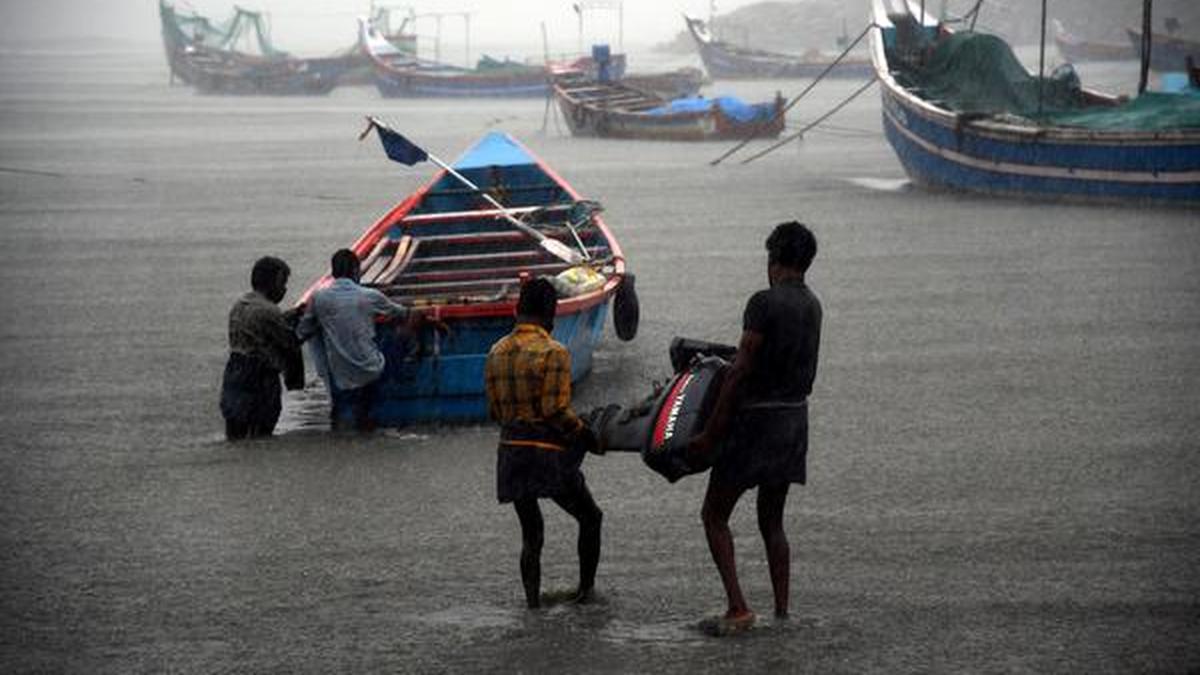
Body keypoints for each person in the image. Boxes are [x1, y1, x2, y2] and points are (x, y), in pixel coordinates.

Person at [688, 221, 822, 635]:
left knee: (714, 513)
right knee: (773, 522)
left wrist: (711, 432)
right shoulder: (814, 304)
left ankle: (738, 608)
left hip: (757, 422)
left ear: (773, 259)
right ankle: (782, 611)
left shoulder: (763, 302)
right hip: (793, 422)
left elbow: (741, 371)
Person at [484, 278, 602, 609]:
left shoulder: (496, 352)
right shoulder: (554, 352)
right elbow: (555, 411)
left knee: (531, 533)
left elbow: (494, 411)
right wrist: (586, 435)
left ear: (517, 309)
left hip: (510, 453)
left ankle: (532, 604)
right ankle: (585, 593)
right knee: (590, 517)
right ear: (550, 313)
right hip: (546, 455)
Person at [297, 248, 420, 431]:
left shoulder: (318, 298)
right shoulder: (370, 296)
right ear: (356, 271)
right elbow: (403, 312)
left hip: (341, 378)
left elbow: (303, 331)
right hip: (372, 370)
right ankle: (411, 364)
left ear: (334, 273)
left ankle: (346, 413)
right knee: (408, 324)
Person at [220, 256, 304, 441]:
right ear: (272, 283)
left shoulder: (240, 304)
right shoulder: (269, 311)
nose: (284, 289)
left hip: (234, 372)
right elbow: (290, 345)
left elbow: (258, 331)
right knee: (262, 432)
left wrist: (288, 317)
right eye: (282, 283)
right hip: (259, 376)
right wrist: (295, 382)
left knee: (235, 431)